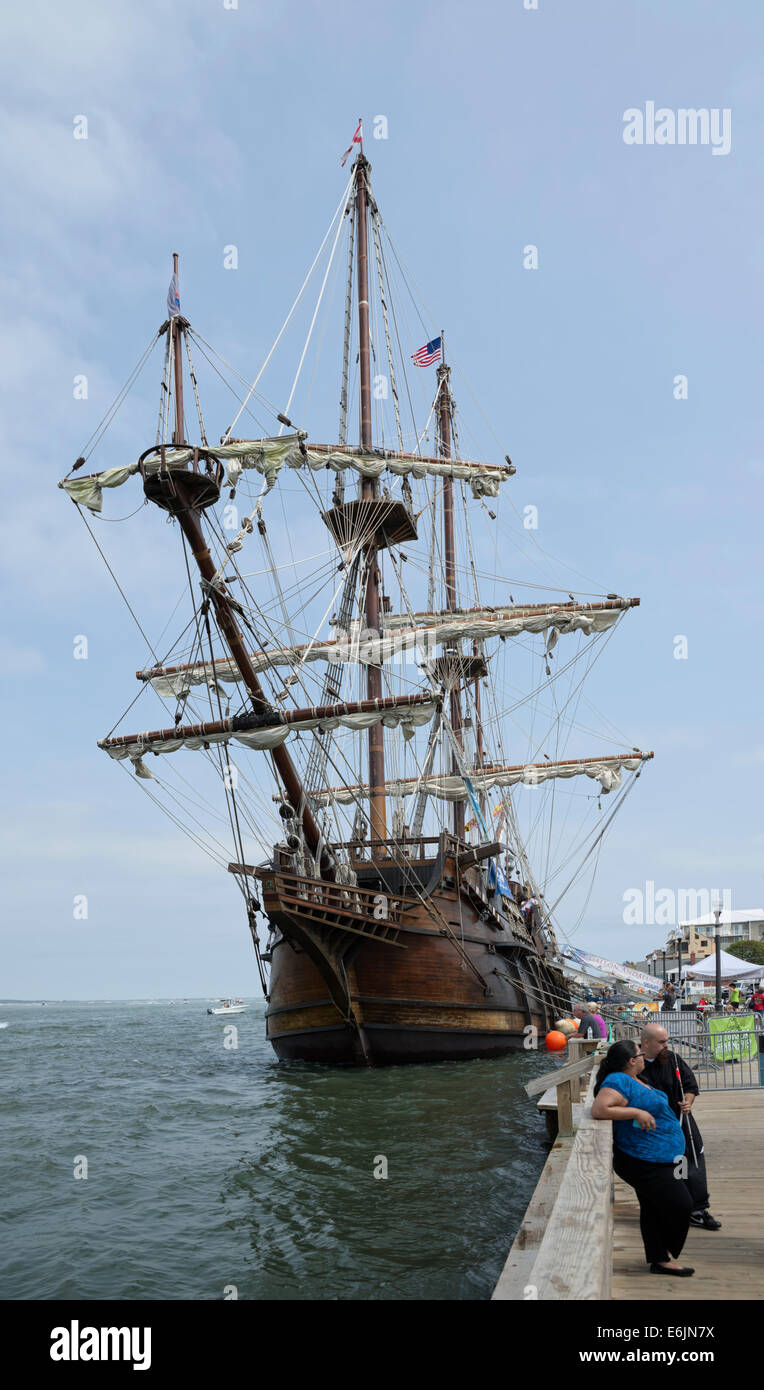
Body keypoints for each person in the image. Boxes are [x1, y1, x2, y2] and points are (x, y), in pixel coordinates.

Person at [591, 1039, 694, 1276]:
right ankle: (666, 1251)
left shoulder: (637, 1080)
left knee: (652, 1208)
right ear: (631, 1061)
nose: (643, 1056)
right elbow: (600, 1109)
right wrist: (636, 1112)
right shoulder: (618, 1080)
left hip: (661, 1156)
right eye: (640, 1054)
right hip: (644, 1159)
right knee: (681, 1204)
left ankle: (660, 1260)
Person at [640, 1023, 721, 1230]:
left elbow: (691, 1085)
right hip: (655, 1128)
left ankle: (698, 1209)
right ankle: (675, 1207)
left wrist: (688, 1100)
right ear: (646, 1043)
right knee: (669, 1168)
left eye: (667, 1040)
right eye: (662, 1042)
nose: (667, 1045)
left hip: (682, 1122)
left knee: (691, 1163)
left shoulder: (673, 1059)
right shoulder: (636, 1066)